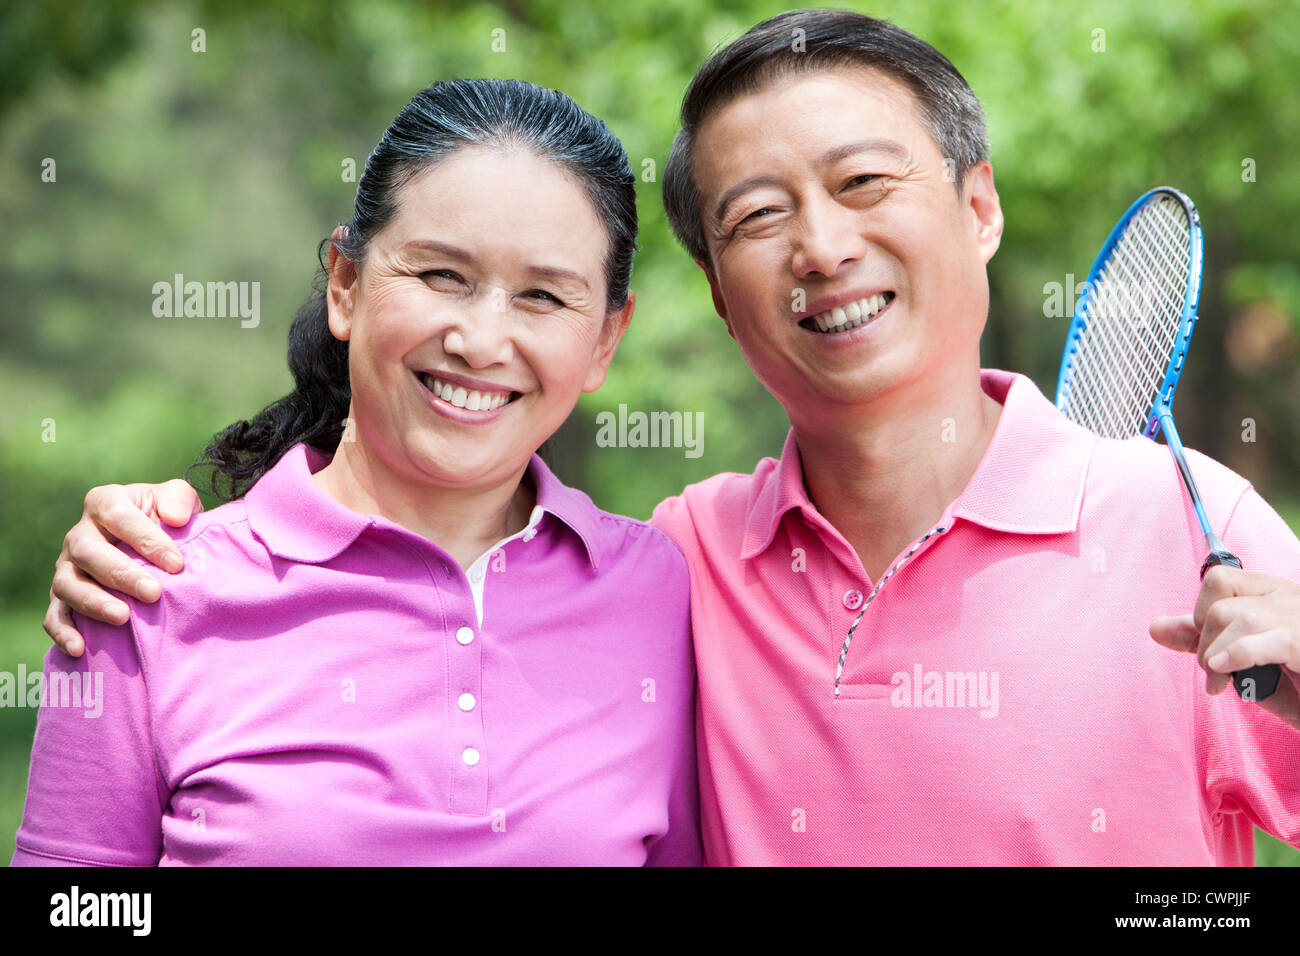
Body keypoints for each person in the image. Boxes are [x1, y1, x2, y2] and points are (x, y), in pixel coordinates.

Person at [39, 11, 1300, 865]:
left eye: (864, 184)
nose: (821, 245)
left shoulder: (1195, 532)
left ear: (978, 206)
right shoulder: (688, 563)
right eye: (759, 213)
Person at [13, 78, 700, 866]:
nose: (480, 340)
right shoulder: (145, 591)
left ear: (606, 342)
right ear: (345, 284)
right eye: (442, 275)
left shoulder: (658, 593)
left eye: (543, 295)